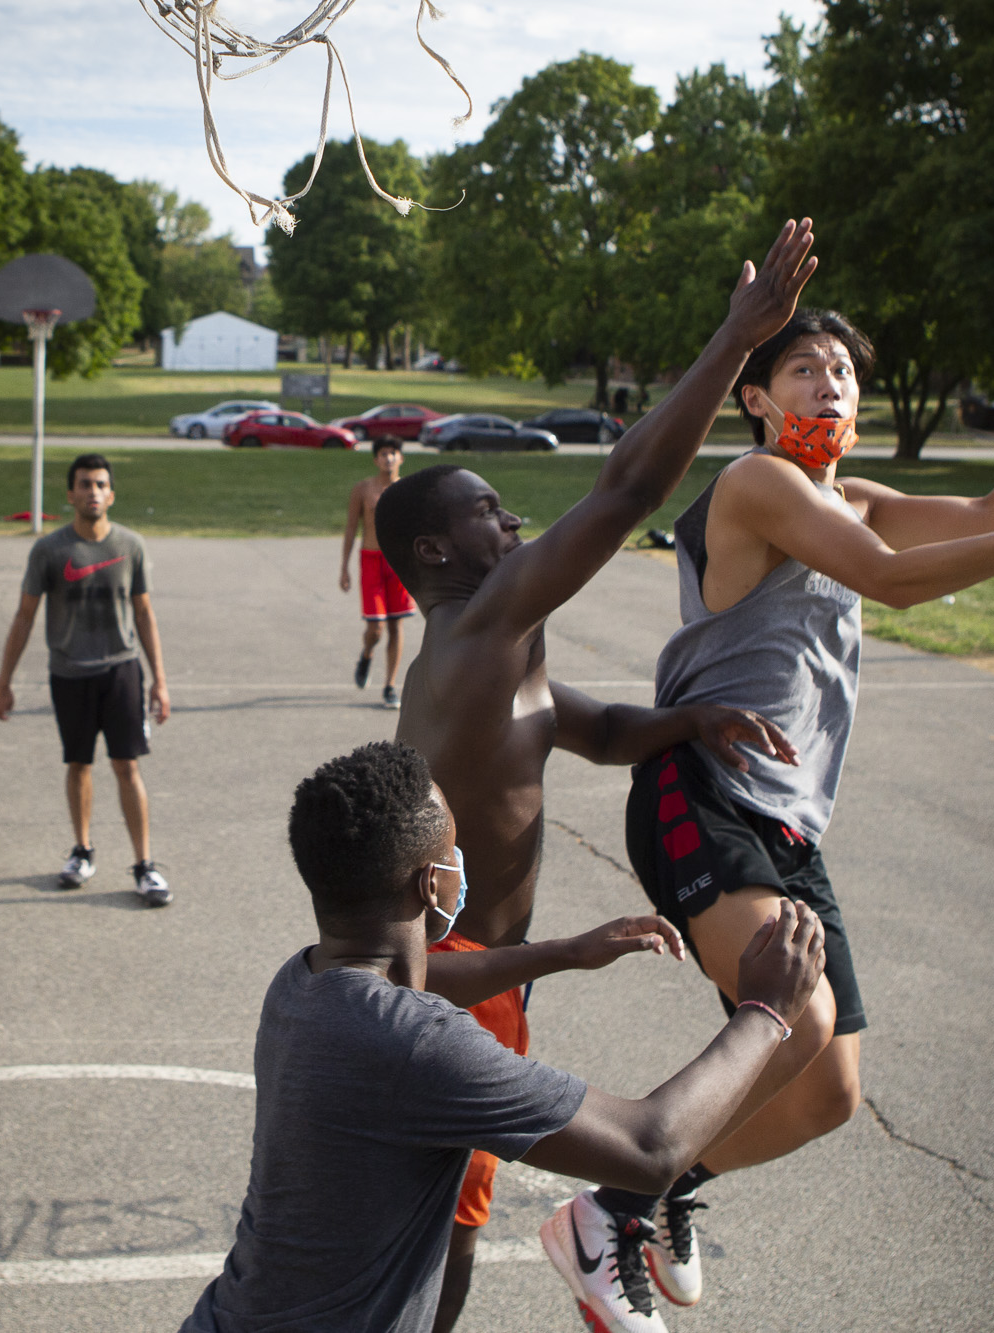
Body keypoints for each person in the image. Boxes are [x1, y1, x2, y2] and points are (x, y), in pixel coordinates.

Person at [579, 313, 994, 1325]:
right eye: (800, 368)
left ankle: (660, 1189)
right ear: (757, 400)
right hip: (703, 790)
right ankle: (612, 1206)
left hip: (789, 826)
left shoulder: (851, 498)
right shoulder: (755, 482)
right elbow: (892, 581)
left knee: (823, 1093)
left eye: (842, 368)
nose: (826, 381)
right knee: (794, 1018)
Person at [378, 218, 818, 1333]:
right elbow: (623, 491)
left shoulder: (494, 665)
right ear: (434, 551)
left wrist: (691, 719)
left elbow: (604, 727)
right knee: (453, 1217)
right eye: (489, 510)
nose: (513, 519)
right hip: (459, 973)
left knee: (443, 1205)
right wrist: (733, 339)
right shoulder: (474, 632)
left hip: (476, 966)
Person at [177, 740, 825, 1333]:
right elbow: (648, 1145)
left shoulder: (303, 982)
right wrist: (766, 1009)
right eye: (452, 854)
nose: (463, 867)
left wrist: (564, 951)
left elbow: (420, 977)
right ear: (432, 884)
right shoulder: (417, 1046)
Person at [0, 453, 173, 905]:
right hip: (69, 673)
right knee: (78, 765)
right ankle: (82, 851)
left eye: (100, 484)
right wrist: (3, 682)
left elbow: (145, 613)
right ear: (70, 493)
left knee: (127, 766)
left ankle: (144, 865)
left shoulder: (130, 545)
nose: (92, 491)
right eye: (84, 484)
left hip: (121, 670)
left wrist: (159, 681)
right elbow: (24, 616)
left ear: (111, 494)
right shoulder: (49, 550)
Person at [341, 436, 414, 709]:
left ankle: (390, 685)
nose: (388, 458)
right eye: (383, 453)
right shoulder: (363, 489)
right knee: (376, 627)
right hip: (370, 559)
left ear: (401, 458)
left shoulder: (407, 490)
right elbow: (351, 529)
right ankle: (367, 653)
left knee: (396, 624)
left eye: (393, 453)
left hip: (398, 562)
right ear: (375, 459)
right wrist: (344, 568)